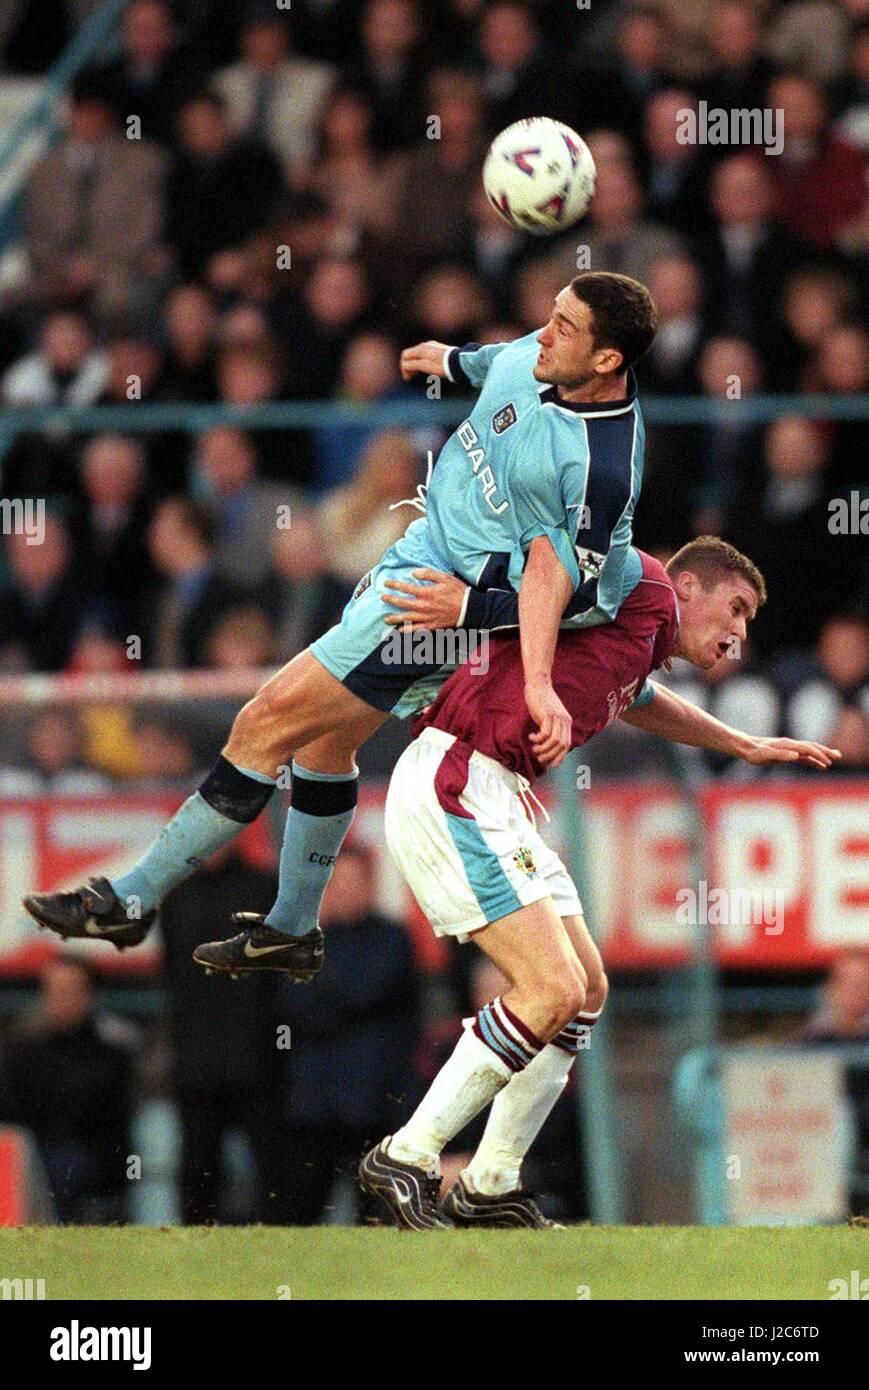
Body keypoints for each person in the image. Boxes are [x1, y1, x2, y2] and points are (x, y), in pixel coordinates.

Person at [24, 272, 659, 990]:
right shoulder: (537, 356)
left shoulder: (599, 468)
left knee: (264, 722)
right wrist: (446, 359)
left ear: (606, 362)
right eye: (551, 316)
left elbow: (571, 597)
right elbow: (494, 362)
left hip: (441, 608)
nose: (544, 333)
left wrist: (468, 608)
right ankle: (292, 929)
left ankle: (131, 899)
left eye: (566, 328)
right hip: (417, 565)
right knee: (326, 744)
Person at [357, 538, 839, 1228]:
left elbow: (638, 698)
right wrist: (485, 623)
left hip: (499, 793)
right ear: (686, 586)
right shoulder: (642, 581)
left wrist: (740, 744)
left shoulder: (633, 638)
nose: (738, 632)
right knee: (548, 988)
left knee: (583, 990)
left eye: (749, 621)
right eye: (734, 607)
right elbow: (547, 558)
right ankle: (406, 1154)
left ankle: (489, 1181)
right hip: (456, 779)